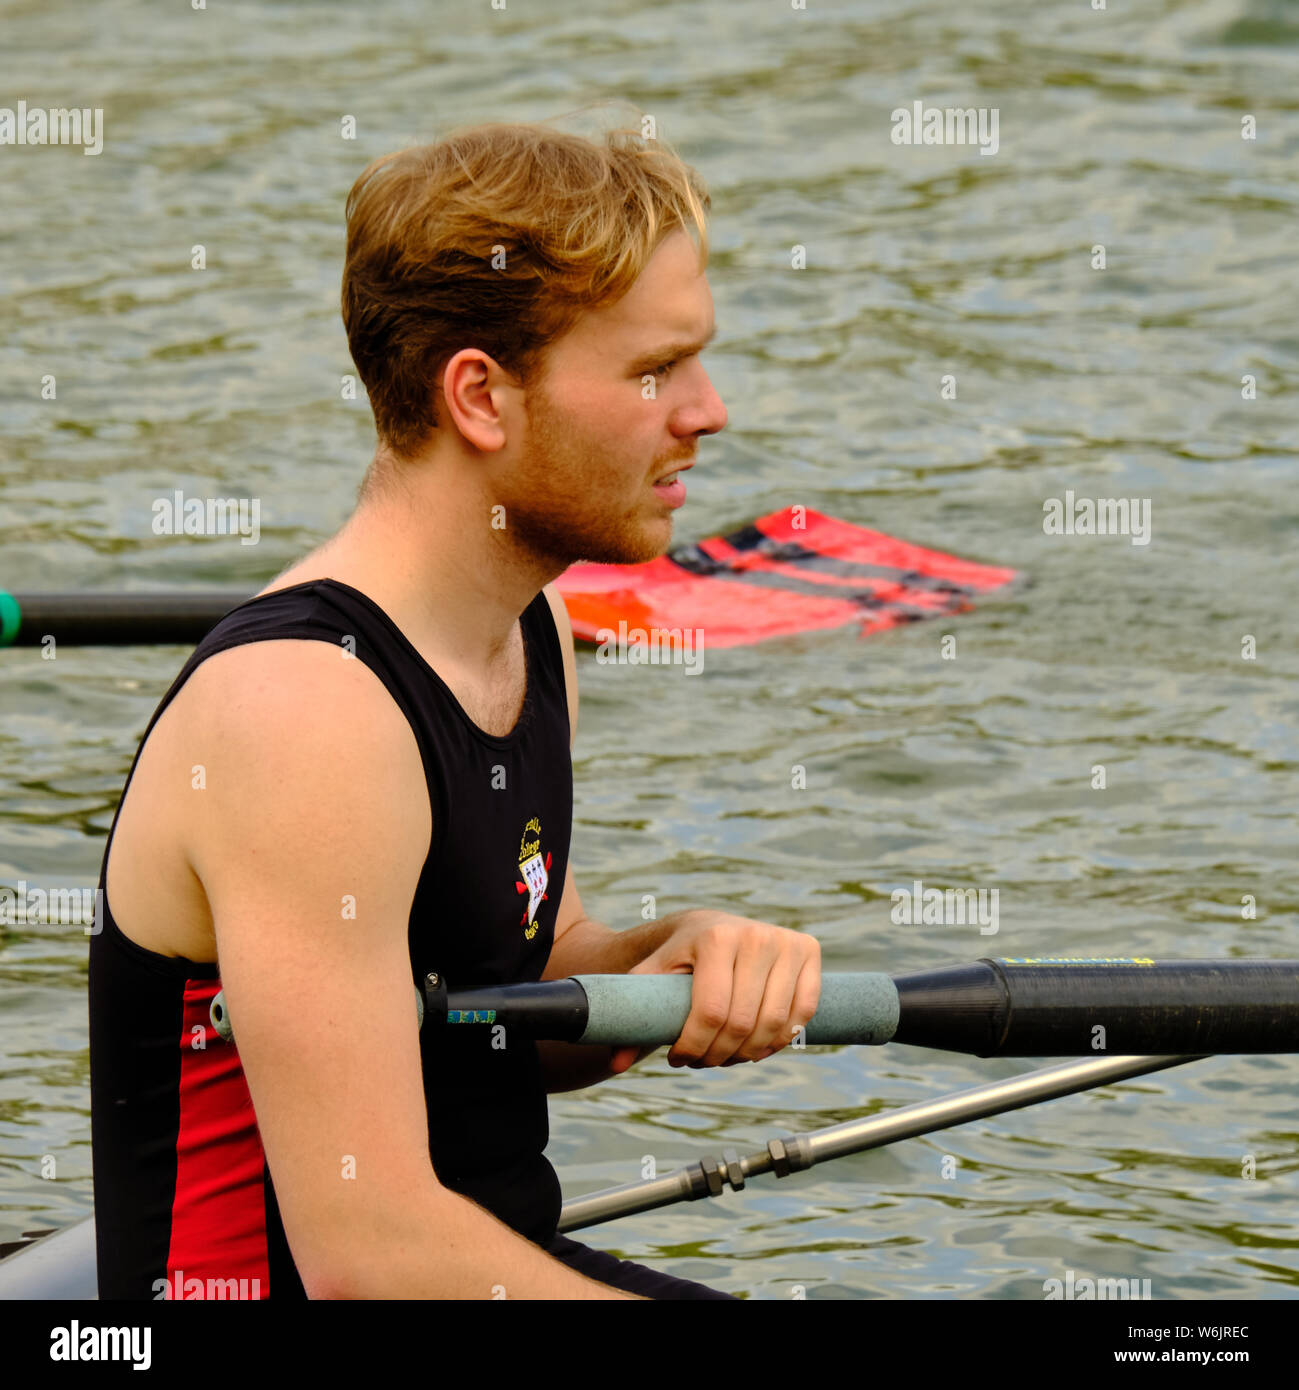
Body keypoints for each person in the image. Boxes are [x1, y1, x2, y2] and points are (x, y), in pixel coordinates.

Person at [89, 119, 821, 1300]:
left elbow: (518, 996)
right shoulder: (308, 712)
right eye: (654, 369)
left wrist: (663, 963)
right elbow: (369, 1256)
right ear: (481, 396)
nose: (710, 408)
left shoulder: (529, 626)